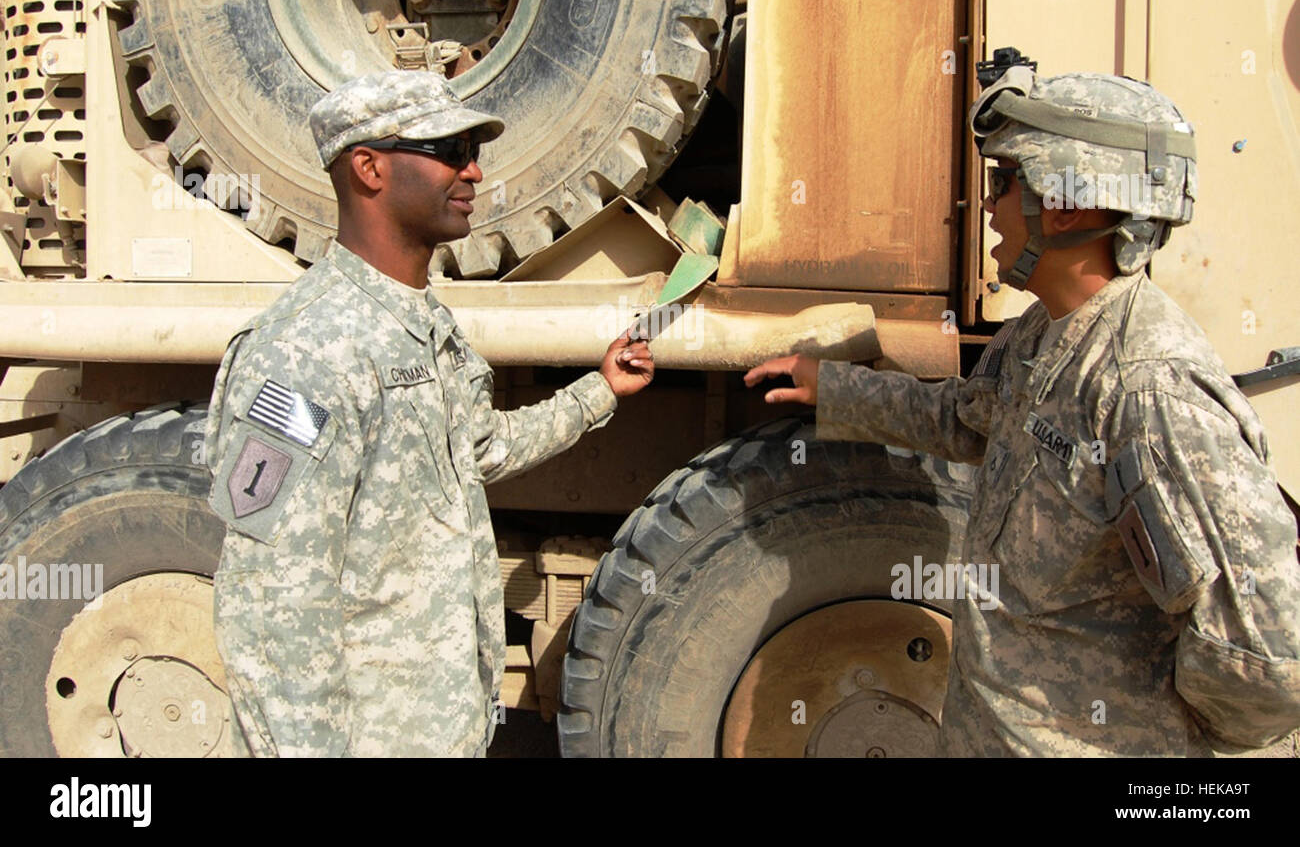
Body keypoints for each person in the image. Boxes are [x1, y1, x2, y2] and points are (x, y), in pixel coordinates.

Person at [746, 66, 1300, 756]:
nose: (987, 207)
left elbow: (1267, 649)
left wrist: (1155, 736)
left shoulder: (1148, 388)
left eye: (1005, 183)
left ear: (1063, 205)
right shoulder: (1042, 332)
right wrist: (836, 389)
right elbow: (970, 419)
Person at [204, 70, 654, 757]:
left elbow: (480, 450)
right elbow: (272, 607)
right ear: (369, 167)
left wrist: (599, 391)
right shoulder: (304, 352)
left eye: (474, 146)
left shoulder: (424, 322)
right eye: (449, 149)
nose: (473, 168)